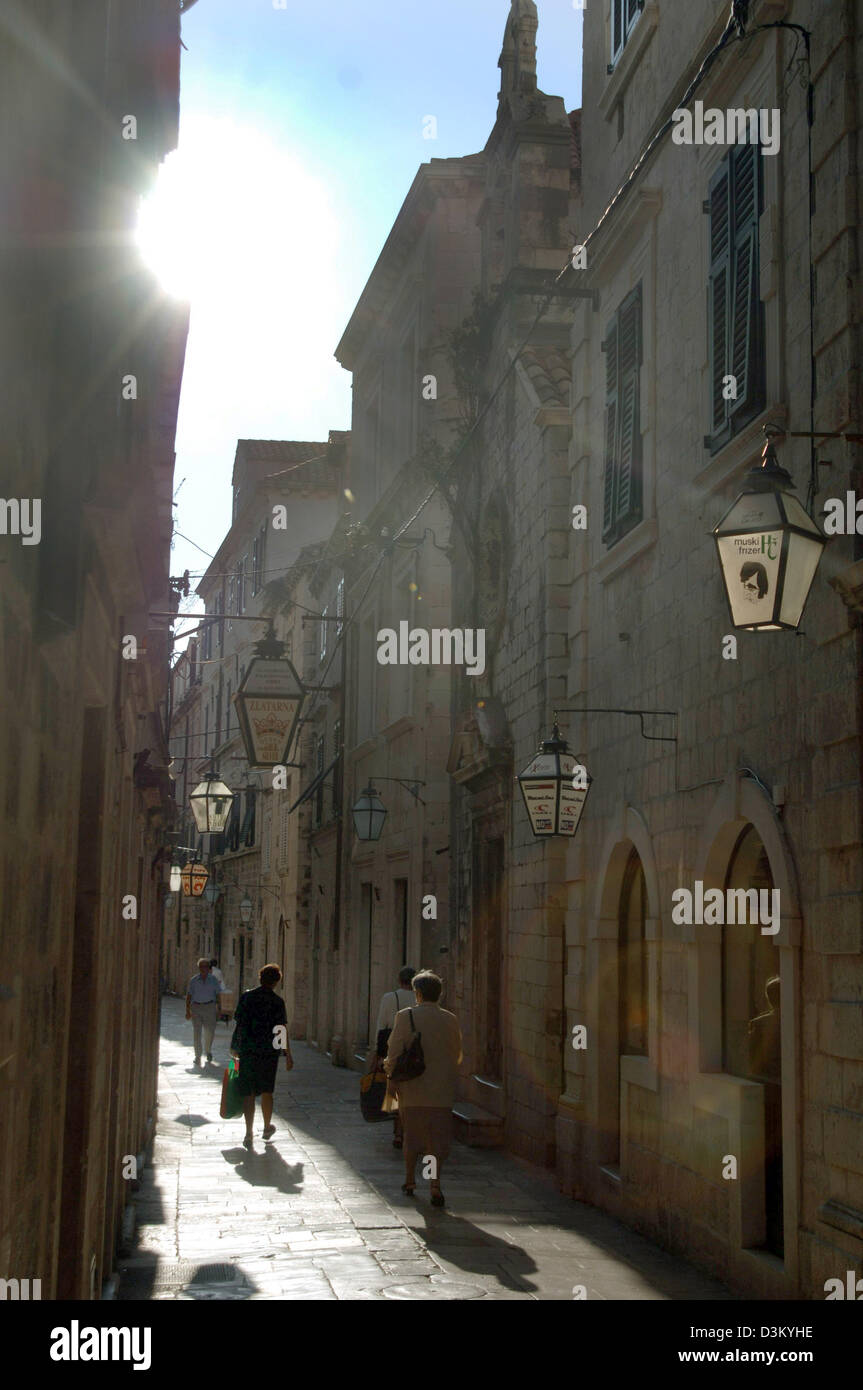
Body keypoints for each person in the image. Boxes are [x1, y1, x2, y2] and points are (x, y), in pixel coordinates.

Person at [384, 970, 462, 1207]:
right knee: (436, 1140)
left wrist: (389, 1073)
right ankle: (435, 1185)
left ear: (417, 993)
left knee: (412, 1136)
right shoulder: (450, 1019)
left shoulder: (405, 1016)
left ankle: (410, 1180)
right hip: (441, 1089)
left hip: (413, 1087)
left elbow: (394, 1051)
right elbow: (457, 1055)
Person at [231, 963, 293, 1148]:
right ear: (276, 981)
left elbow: (239, 1023)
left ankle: (249, 1132)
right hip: (269, 1051)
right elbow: (281, 1029)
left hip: (248, 1050)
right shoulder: (277, 1002)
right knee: (267, 1090)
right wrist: (287, 1054)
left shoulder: (246, 998)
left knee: (248, 1093)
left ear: (260, 978)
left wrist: (235, 1047)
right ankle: (266, 1127)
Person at [375, 966, 416, 1149]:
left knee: (395, 1090)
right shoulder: (419, 998)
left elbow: (381, 1026)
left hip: (394, 1049)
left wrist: (378, 1054)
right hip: (415, 1050)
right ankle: (409, 1131)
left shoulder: (390, 998)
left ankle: (398, 1133)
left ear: (399, 980)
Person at [185, 958, 222, 1066]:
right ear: (199, 968)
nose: (204, 969)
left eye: (206, 966)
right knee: (197, 1033)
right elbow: (189, 996)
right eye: (201, 966)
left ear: (208, 968)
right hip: (196, 1007)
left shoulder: (214, 980)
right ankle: (197, 1055)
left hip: (210, 1007)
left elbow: (218, 995)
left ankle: (208, 1050)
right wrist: (187, 1010)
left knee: (209, 1032)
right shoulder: (193, 980)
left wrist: (219, 1009)